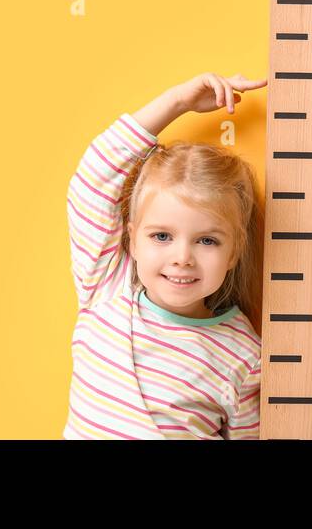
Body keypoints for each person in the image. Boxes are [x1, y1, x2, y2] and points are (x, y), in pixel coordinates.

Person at [63, 72, 266, 439]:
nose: (182, 257)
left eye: (207, 241)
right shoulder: (108, 287)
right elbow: (92, 180)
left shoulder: (243, 354)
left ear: (234, 252)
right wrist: (176, 102)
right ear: (132, 241)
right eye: (161, 236)